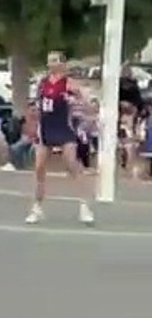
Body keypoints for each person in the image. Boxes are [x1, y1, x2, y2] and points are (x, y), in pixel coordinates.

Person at [26, 51, 95, 225]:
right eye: (49, 61)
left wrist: (75, 101)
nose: (51, 64)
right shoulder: (42, 82)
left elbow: (85, 102)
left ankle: (84, 206)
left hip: (64, 127)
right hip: (46, 128)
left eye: (55, 61)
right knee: (39, 168)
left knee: (71, 164)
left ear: (62, 64)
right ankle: (36, 208)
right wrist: (33, 123)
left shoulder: (69, 83)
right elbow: (36, 105)